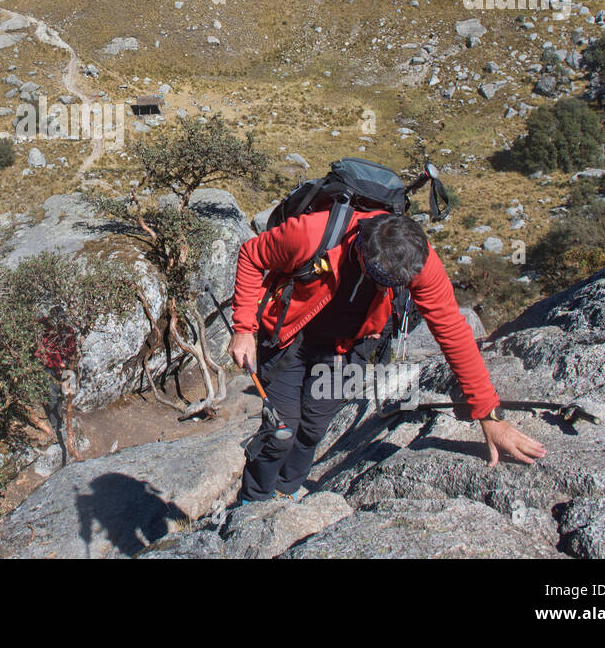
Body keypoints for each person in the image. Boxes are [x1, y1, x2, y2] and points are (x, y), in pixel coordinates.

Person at [228, 209, 545, 503]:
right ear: (363, 249)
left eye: (396, 284)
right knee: (281, 429)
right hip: (288, 339)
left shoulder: (418, 263)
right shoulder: (311, 234)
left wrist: (488, 415)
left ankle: (286, 492)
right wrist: (243, 327)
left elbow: (453, 332)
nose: (386, 287)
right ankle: (251, 503)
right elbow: (251, 255)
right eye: (381, 279)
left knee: (313, 428)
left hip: (345, 349)